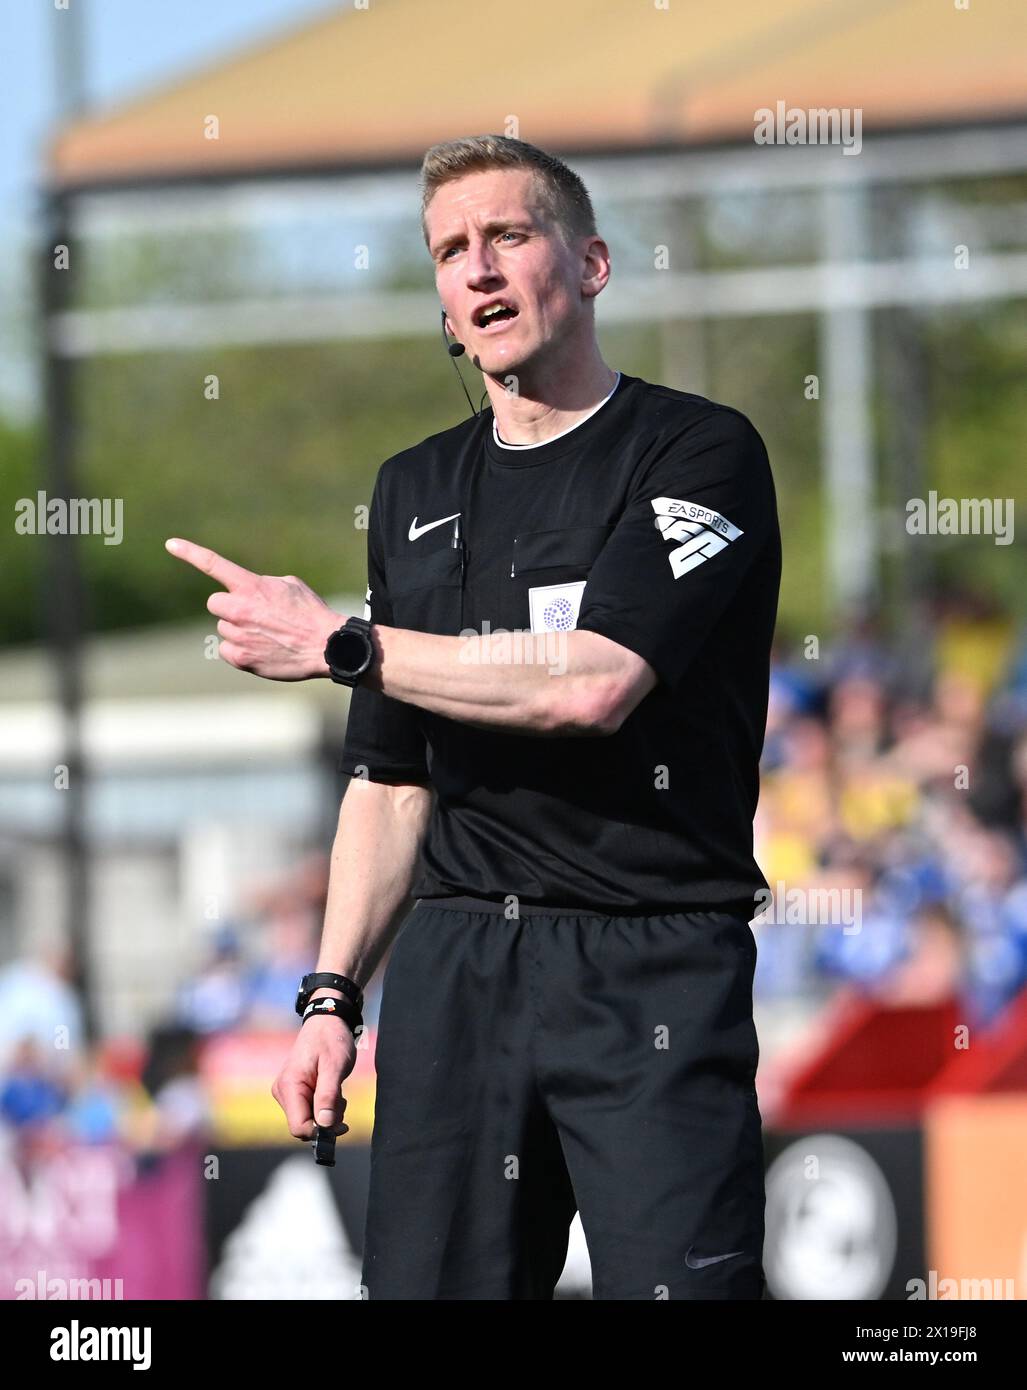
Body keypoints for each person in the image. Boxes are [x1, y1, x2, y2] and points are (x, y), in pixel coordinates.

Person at [166, 133, 781, 1300]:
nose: (479, 269)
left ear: (590, 261)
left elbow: (593, 682)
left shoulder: (698, 449)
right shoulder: (411, 490)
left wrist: (343, 644)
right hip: (457, 969)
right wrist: (332, 993)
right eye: (451, 250)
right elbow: (390, 780)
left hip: (649, 957)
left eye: (508, 235)